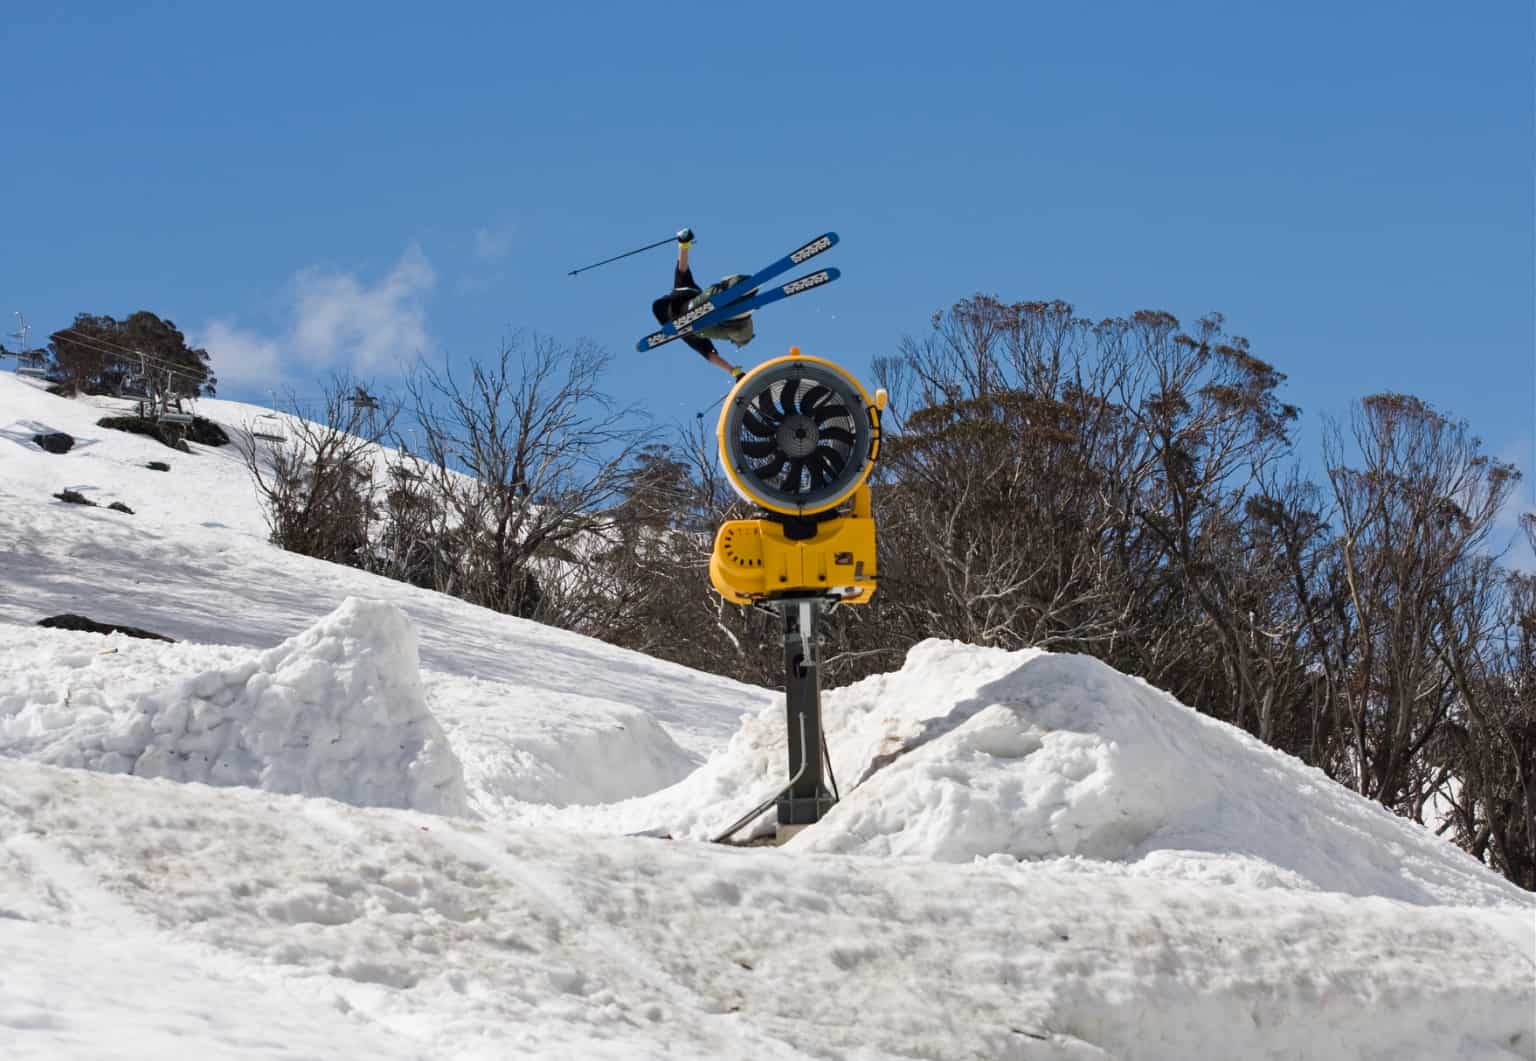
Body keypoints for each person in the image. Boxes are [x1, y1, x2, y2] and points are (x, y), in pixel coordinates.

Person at [650, 228, 755, 380]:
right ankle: (737, 294)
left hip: (705, 321)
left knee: (743, 337)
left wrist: (734, 372)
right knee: (713, 298)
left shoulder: (685, 290)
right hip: (694, 315)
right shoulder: (681, 290)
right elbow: (682, 266)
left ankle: (740, 303)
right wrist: (734, 372)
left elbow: (710, 355)